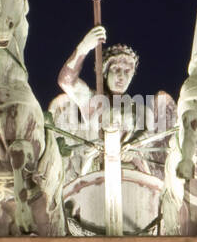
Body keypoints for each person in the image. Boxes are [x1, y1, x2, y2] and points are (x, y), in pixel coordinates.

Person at [50, 26, 176, 179]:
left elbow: (147, 134)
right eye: (116, 69)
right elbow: (66, 81)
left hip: (132, 174)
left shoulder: (140, 109)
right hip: (96, 173)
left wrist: (132, 148)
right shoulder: (92, 100)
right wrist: (85, 46)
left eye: (127, 71)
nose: (121, 76)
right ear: (104, 73)